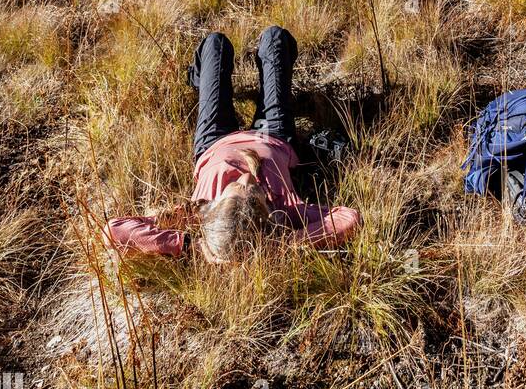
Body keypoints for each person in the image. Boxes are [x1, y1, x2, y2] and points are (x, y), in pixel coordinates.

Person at [103, 27, 360, 263]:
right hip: (271, 137)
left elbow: (113, 230)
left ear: (213, 207)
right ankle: (261, 70)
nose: (248, 178)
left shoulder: (199, 208)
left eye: (235, 186)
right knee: (275, 39)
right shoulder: (285, 210)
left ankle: (200, 79)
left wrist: (187, 244)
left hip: (213, 141)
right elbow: (349, 218)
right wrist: (285, 245)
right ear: (269, 215)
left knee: (216, 43)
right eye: (255, 192)